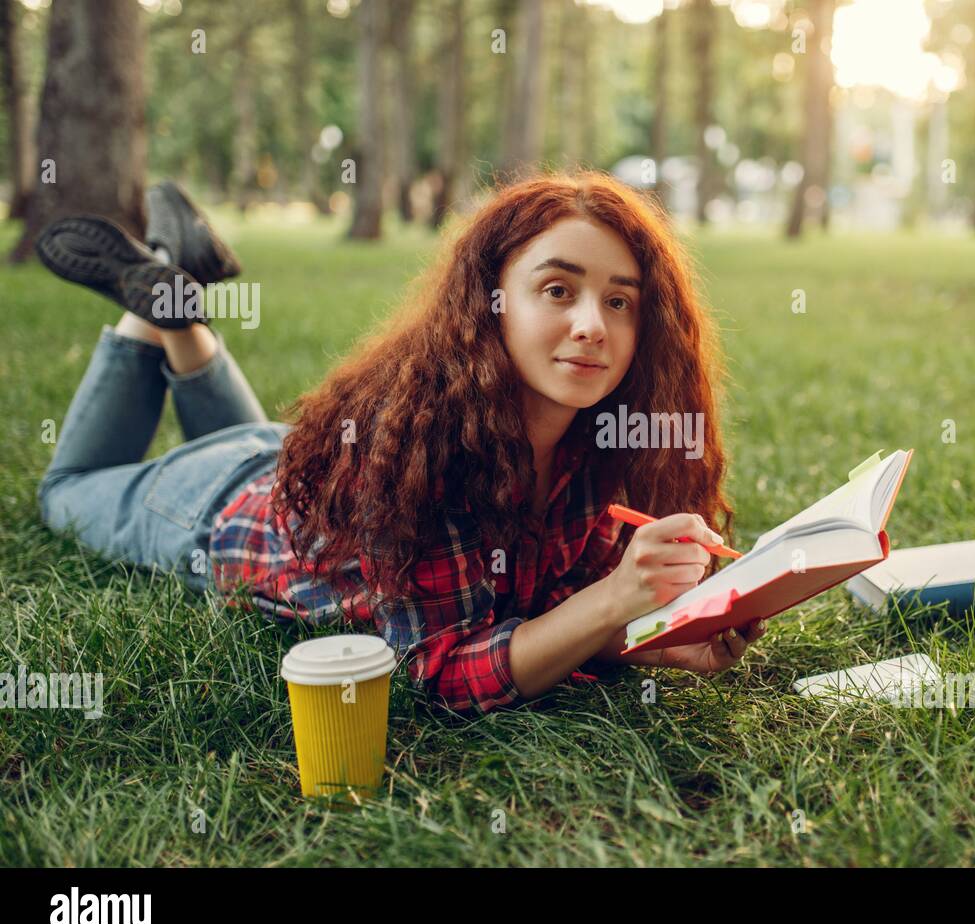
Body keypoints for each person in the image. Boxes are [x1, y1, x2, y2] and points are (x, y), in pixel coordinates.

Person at [35, 171, 764, 717]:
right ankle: (157, 307)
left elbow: (538, 602)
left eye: (618, 300)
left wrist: (658, 636)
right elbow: (441, 669)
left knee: (239, 441)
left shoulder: (591, 446)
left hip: (275, 456)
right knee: (65, 490)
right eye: (556, 291)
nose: (592, 325)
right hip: (208, 511)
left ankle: (176, 291)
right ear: (491, 301)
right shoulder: (430, 458)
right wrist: (612, 603)